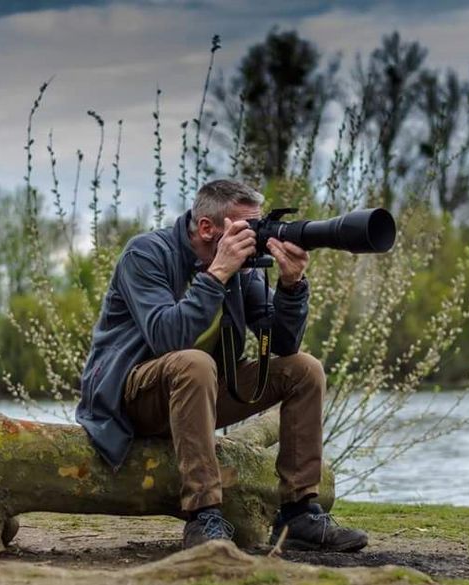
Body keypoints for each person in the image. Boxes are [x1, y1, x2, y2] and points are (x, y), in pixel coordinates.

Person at [75, 179, 368, 552]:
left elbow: (282, 343)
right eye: (244, 228)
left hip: (202, 394)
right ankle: (204, 514)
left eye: (257, 226)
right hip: (132, 399)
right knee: (194, 363)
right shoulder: (146, 254)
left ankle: (298, 513)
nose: (254, 237)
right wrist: (217, 274)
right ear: (206, 228)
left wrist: (292, 286)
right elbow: (168, 338)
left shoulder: (243, 270)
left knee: (305, 369)